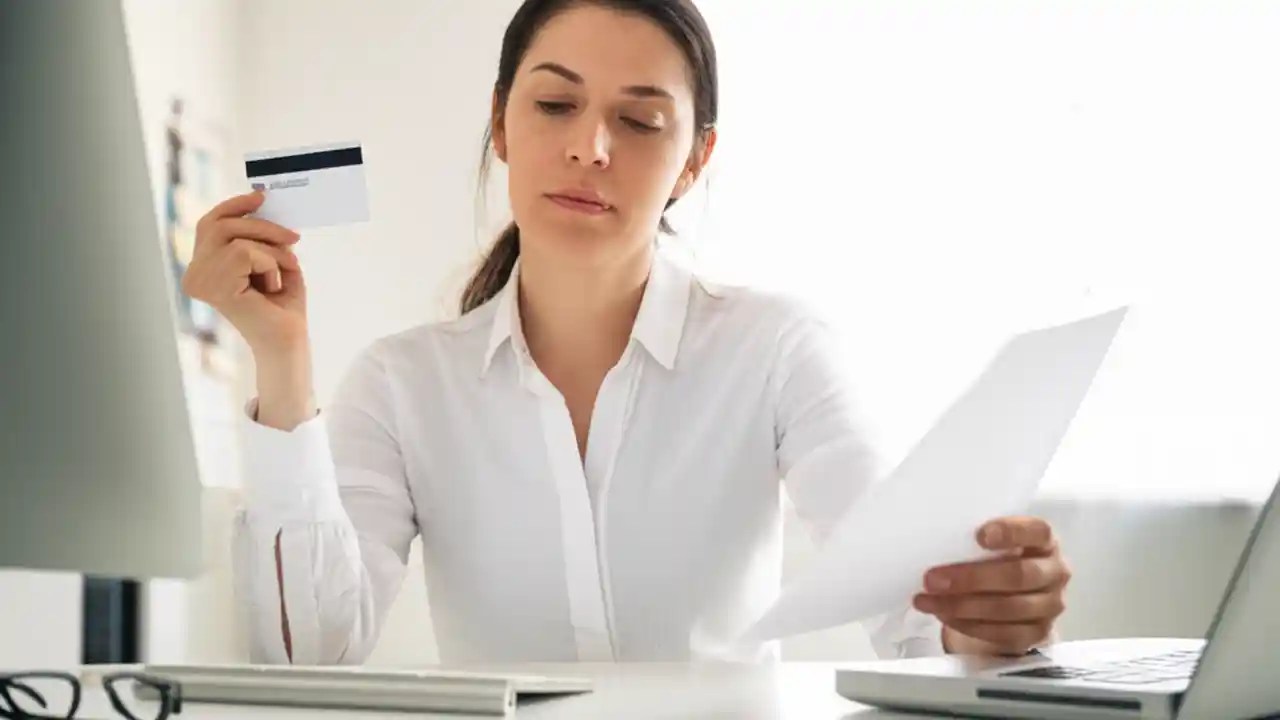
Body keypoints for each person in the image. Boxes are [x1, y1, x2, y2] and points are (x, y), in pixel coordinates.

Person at [183, 0, 1070, 665]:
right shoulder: (401, 384)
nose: (592, 148)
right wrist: (282, 360)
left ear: (695, 159)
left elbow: (917, 616)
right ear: (499, 123)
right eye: (555, 106)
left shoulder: (777, 350)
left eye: (640, 121)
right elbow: (308, 656)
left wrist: (982, 615)